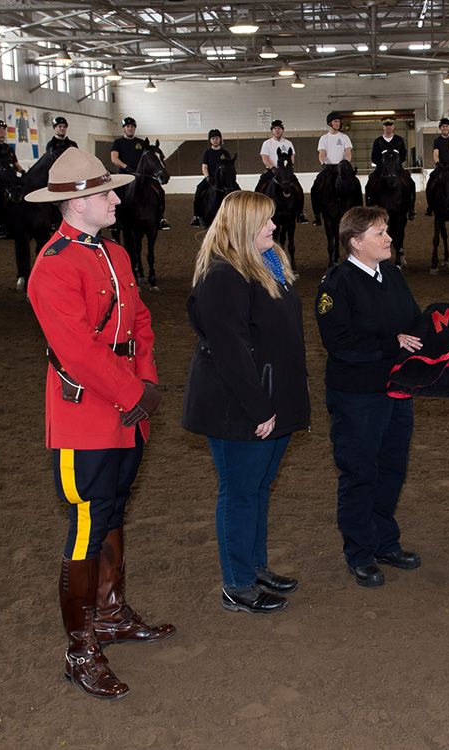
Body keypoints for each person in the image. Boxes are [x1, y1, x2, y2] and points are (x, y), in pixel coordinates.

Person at [24, 147, 175, 701]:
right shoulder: (54, 266)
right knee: (86, 525)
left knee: (113, 510)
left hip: (128, 411)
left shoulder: (114, 252)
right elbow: (79, 352)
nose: (116, 199)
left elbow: (139, 321)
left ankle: (110, 614)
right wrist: (135, 392)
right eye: (106, 193)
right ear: (76, 203)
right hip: (87, 413)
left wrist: (148, 380)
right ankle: (79, 647)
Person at [182, 191, 310, 614]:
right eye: (265, 222)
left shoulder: (266, 265)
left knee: (256, 489)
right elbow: (231, 350)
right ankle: (237, 583)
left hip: (269, 401)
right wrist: (260, 409)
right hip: (240, 406)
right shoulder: (223, 276)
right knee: (239, 492)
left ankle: (255, 568)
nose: (274, 228)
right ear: (241, 228)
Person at [315, 206, 423, 588]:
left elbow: (415, 321)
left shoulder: (391, 275)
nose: (389, 238)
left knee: (392, 467)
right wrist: (390, 344)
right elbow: (339, 344)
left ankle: (384, 541)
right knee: (360, 472)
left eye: (387, 231)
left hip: (397, 390)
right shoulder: (336, 284)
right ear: (356, 242)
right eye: (380, 233)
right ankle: (359, 552)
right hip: (357, 397)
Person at [111, 116, 169, 230]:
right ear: (124, 129)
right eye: (128, 126)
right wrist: (126, 166)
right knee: (116, 193)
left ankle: (160, 218)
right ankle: (115, 220)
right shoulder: (118, 142)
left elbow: (149, 158)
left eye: (132, 127)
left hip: (141, 175)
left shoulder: (141, 143)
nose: (130, 129)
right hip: (124, 175)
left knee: (159, 190)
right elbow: (114, 159)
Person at [368, 116, 416, 221]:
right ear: (383, 127)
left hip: (397, 168)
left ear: (393, 127)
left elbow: (403, 155)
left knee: (411, 182)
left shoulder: (399, 140)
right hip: (381, 169)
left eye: (390, 125)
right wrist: (383, 164)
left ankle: (411, 208)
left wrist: (395, 164)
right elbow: (374, 157)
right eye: (386, 125)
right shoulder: (378, 141)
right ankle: (369, 207)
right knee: (370, 181)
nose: (388, 127)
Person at [311, 112, 354, 226]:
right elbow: (322, 153)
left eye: (339, 121)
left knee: (355, 184)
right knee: (315, 187)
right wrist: (323, 163)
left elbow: (348, 152)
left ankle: (356, 210)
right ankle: (317, 215)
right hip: (329, 167)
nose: (338, 123)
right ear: (330, 123)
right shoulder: (324, 138)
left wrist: (346, 162)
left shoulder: (344, 137)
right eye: (335, 121)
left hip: (342, 167)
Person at [191, 128, 237, 227]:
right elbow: (204, 166)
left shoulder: (225, 153)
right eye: (213, 138)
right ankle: (196, 216)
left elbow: (229, 167)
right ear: (210, 140)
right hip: (211, 178)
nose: (215, 140)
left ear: (220, 139)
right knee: (199, 189)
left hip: (224, 179)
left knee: (238, 190)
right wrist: (207, 177)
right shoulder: (207, 153)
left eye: (216, 138)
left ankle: (239, 213)